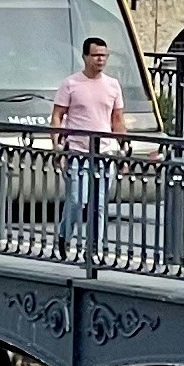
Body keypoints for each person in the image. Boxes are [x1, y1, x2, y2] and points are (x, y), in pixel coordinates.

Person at [48, 33, 130, 256]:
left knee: (99, 204)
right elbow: (57, 116)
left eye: (104, 56)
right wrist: (57, 146)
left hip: (104, 151)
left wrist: (123, 149)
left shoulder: (113, 85)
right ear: (85, 57)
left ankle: (93, 247)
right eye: (95, 55)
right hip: (77, 150)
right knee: (76, 200)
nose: (100, 60)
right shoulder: (71, 84)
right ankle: (65, 236)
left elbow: (117, 119)